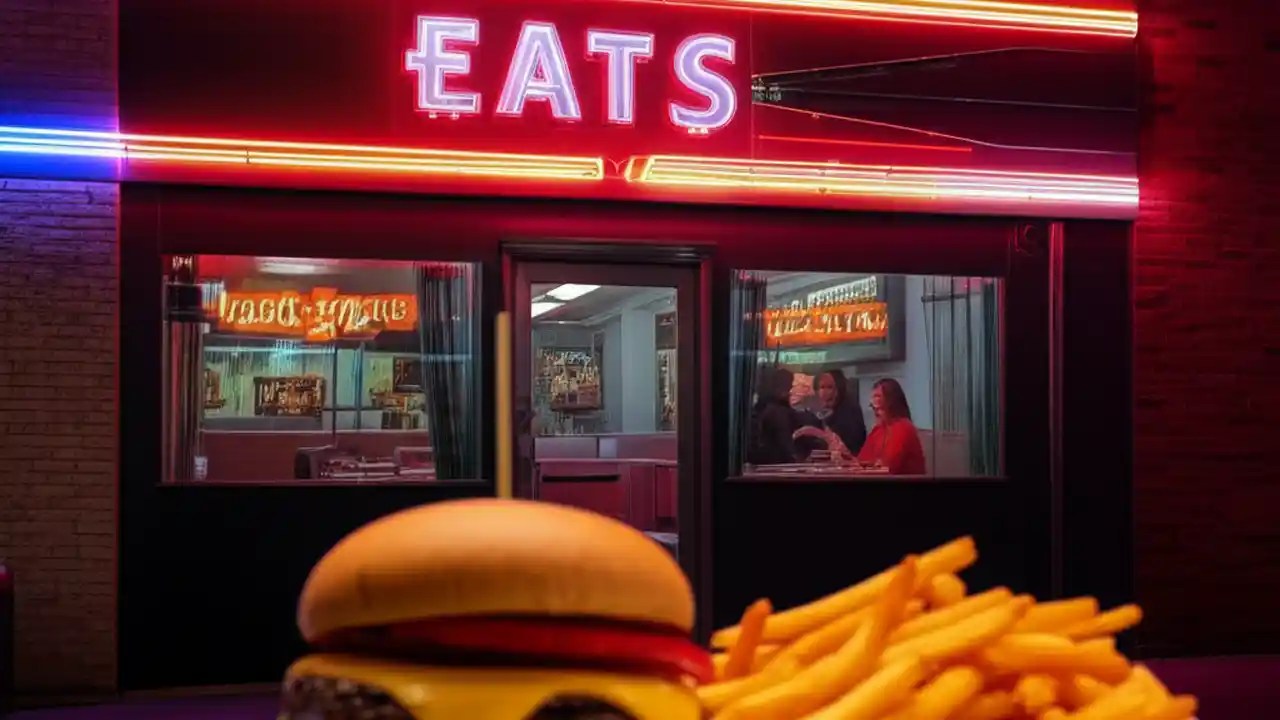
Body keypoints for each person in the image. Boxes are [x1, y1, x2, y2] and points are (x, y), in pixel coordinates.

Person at [857, 378, 927, 475]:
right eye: (872, 400)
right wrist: (844, 456)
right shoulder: (878, 430)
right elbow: (860, 463)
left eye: (878, 398)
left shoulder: (903, 427)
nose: (874, 406)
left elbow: (888, 468)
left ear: (892, 401)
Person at [793, 369, 868, 458]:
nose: (824, 393)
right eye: (822, 387)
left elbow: (847, 448)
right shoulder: (821, 413)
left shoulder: (849, 412)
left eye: (829, 387)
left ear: (839, 388)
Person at [746, 366, 801, 466]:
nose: (790, 390)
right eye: (789, 386)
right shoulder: (777, 412)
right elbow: (785, 446)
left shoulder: (762, 408)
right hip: (776, 467)